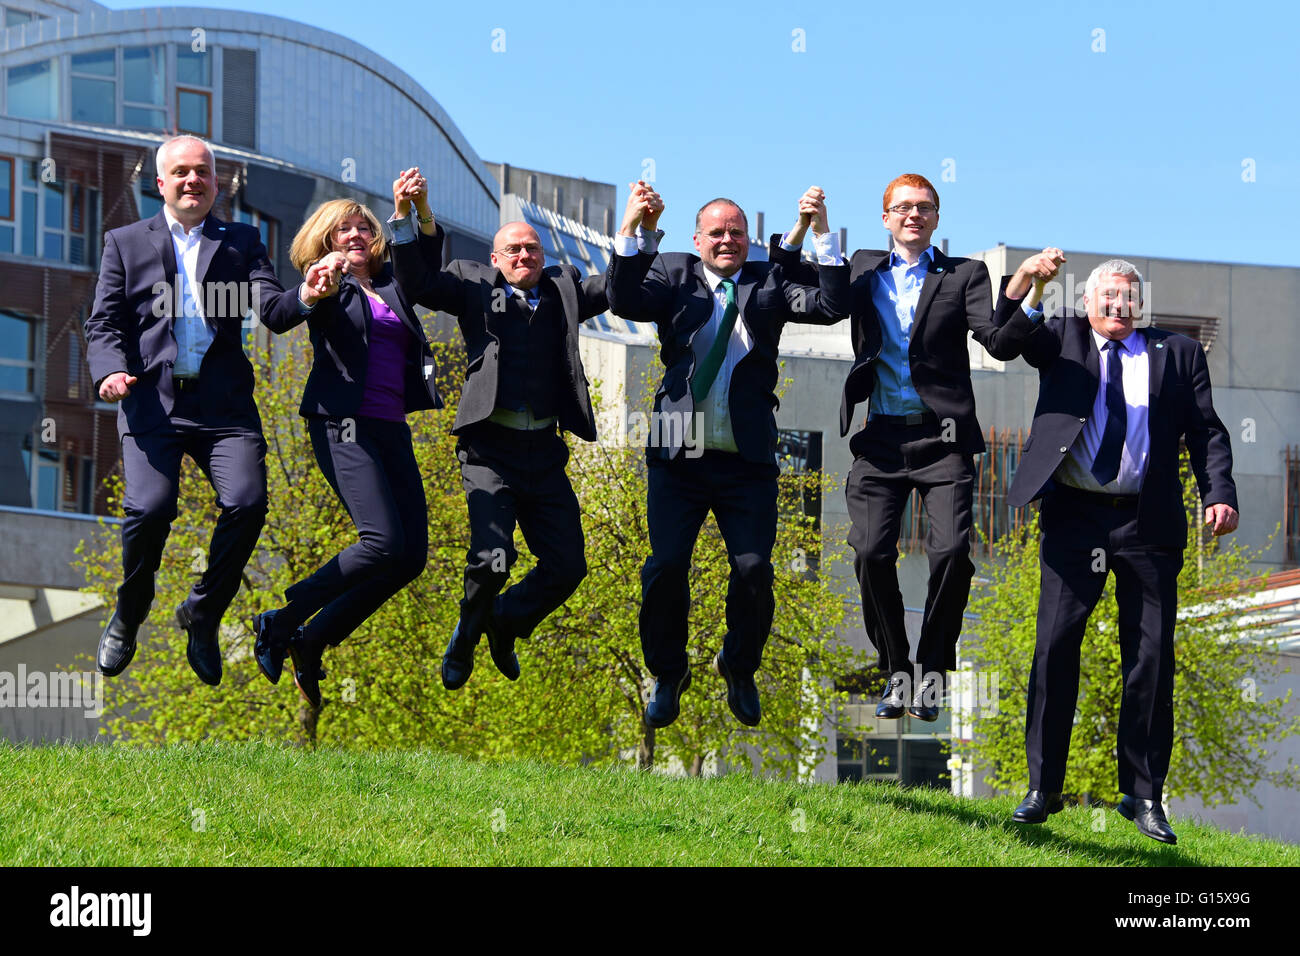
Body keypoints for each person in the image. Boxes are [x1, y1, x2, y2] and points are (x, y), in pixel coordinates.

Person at [771, 176, 1062, 722]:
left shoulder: (964, 274)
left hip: (942, 439)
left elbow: (997, 342)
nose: (913, 215)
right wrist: (811, 225)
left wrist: (1034, 290)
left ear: (937, 217)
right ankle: (895, 670)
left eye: (924, 208)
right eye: (903, 207)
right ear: (885, 218)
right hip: (880, 438)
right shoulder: (859, 267)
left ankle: (932, 670)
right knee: (869, 554)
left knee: (952, 553)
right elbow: (802, 286)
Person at [388, 181, 663, 690]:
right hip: (489, 451)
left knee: (567, 566)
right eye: (512, 249)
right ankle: (467, 635)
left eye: (531, 248)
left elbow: (619, 292)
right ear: (496, 257)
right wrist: (412, 216)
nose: (523, 255)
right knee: (494, 559)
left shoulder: (563, 289)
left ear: (543, 255)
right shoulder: (471, 284)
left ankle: (506, 621)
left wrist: (634, 230)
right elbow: (420, 284)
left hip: (544, 453)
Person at [1004, 258, 1238, 844]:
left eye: (1128, 298)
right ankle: (1043, 786)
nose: (1118, 307)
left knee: (1152, 659)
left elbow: (1207, 430)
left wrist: (1220, 494)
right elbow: (1005, 335)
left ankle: (1143, 794)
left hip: (1147, 522)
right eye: (1107, 297)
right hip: (1074, 517)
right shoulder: (1061, 336)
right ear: (1087, 302)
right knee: (1056, 646)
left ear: (1141, 303)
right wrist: (1027, 280)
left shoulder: (1178, 353)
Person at [85, 134, 328, 686]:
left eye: (203, 173)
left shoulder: (242, 240)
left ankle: (203, 611)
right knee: (150, 510)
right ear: (161, 183)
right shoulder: (125, 242)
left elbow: (272, 309)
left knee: (247, 502)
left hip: (223, 409)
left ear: (216, 183)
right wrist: (109, 371)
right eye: (182, 173)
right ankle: (130, 611)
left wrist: (309, 295)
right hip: (153, 402)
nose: (193, 181)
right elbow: (103, 322)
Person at [606, 187, 849, 729]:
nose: (726, 241)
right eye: (715, 233)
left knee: (755, 570)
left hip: (747, 460)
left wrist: (821, 230)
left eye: (736, 233)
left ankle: (739, 665)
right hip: (678, 455)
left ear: (748, 241)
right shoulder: (674, 275)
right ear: (697, 241)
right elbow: (622, 300)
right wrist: (632, 225)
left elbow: (832, 306)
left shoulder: (768, 283)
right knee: (666, 567)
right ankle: (668, 674)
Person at [249, 171, 445, 707]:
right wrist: (314, 289)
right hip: (342, 424)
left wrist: (417, 209)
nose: (356, 235)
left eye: (364, 228)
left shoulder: (392, 285)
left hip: (391, 427)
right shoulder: (328, 286)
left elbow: (425, 259)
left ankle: (311, 640)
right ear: (325, 241)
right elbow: (280, 314)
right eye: (343, 231)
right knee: (380, 542)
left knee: (408, 558)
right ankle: (282, 619)